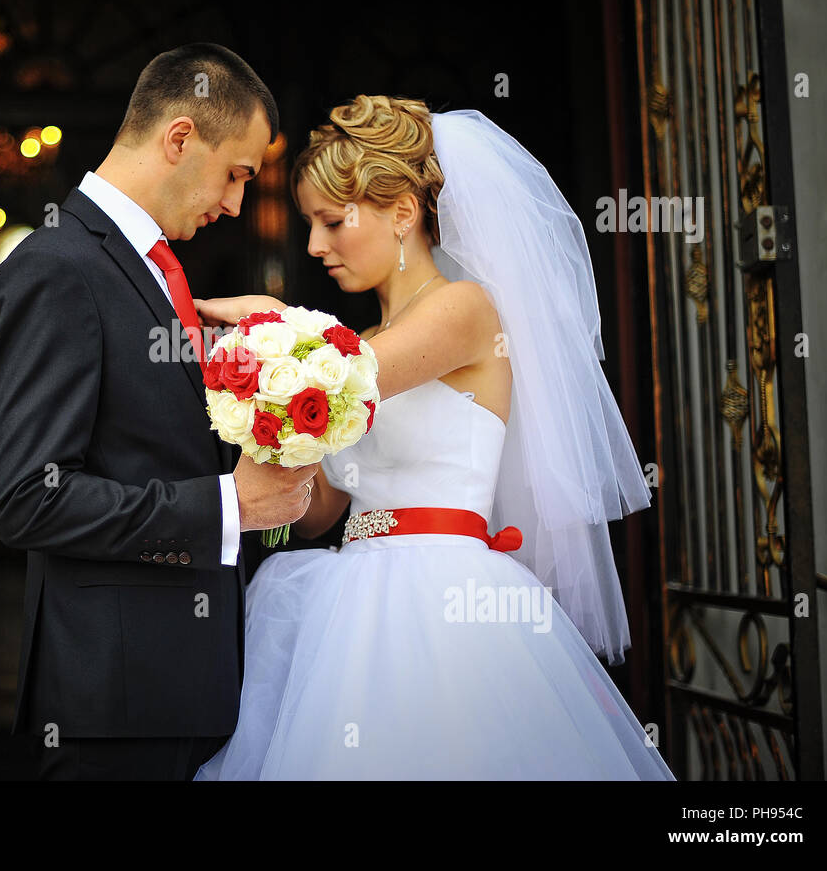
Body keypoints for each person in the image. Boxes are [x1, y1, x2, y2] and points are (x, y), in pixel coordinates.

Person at [192, 95, 675, 779]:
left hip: (444, 596)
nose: (313, 246)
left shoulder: (464, 310)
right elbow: (321, 513)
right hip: (347, 599)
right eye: (308, 224)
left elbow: (348, 381)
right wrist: (272, 432)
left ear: (401, 212)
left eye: (332, 222)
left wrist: (274, 324)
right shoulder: (353, 348)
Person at [0, 43, 318, 780]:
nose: (235, 203)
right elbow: (28, 498)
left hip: (188, 696)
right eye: (236, 174)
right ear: (179, 137)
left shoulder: (154, 273)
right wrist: (229, 503)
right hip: (110, 708)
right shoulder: (55, 268)